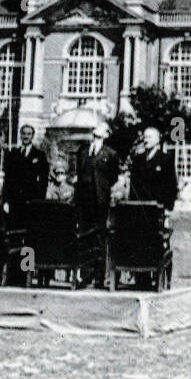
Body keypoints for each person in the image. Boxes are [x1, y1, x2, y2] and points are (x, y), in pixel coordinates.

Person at [74, 121, 120, 288]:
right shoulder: (83, 152)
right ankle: (84, 276)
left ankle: (99, 277)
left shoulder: (111, 154)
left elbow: (113, 177)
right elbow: (79, 173)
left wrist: (102, 189)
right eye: (94, 133)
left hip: (100, 202)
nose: (95, 136)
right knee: (84, 238)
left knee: (100, 239)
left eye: (99, 133)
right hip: (84, 202)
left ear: (106, 135)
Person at [1, 125, 49, 225]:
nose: (26, 136)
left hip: (31, 201)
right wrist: (5, 200)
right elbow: (7, 180)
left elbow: (43, 181)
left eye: (29, 134)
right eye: (23, 133)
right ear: (20, 135)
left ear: (32, 136)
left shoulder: (39, 155)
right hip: (15, 201)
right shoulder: (12, 154)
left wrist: (39, 201)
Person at [129, 127, 178, 211]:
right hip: (140, 205)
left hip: (157, 205)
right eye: (145, 137)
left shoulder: (165, 158)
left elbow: (171, 184)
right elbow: (133, 184)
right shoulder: (138, 159)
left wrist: (168, 207)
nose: (146, 140)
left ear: (158, 140)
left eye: (149, 137)